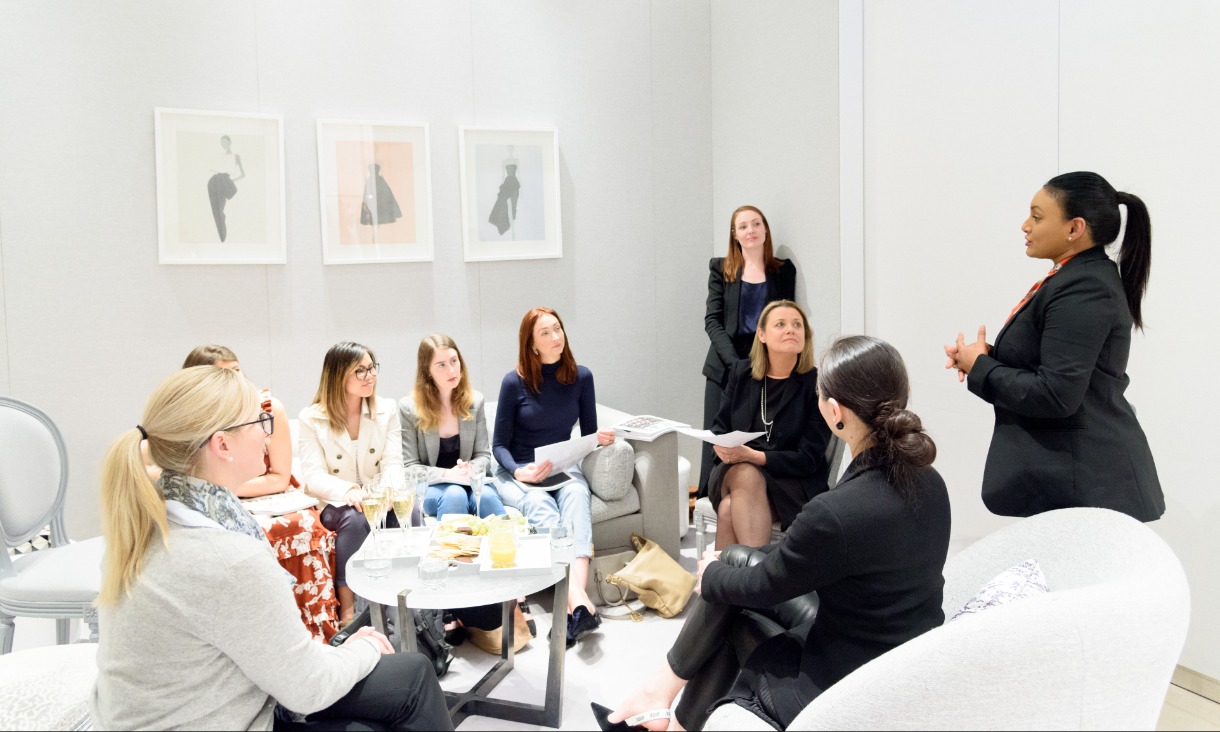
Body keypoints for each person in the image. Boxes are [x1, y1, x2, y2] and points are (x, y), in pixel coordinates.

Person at [603, 335, 950, 731]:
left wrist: (711, 574)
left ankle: (663, 708)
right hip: (901, 653)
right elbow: (807, 557)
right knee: (735, 560)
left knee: (733, 608)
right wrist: (724, 566)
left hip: (850, 680)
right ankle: (661, 703)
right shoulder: (930, 482)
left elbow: (768, 585)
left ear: (835, 411)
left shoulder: (835, 513)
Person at [91, 365, 452, 731]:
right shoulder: (229, 560)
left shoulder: (145, 522)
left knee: (412, 672)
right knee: (396, 689)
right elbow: (309, 688)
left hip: (184, 708)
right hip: (228, 717)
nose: (269, 434)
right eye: (260, 421)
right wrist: (366, 647)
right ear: (222, 445)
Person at [944, 171, 1164, 522]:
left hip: (1087, 486)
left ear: (1074, 228)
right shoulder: (1076, 278)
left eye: (1037, 216)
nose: (1025, 226)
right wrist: (981, 360)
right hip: (1074, 483)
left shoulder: (1085, 288)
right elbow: (1049, 370)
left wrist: (982, 367)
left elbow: (1056, 395)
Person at [176, 344, 339, 641]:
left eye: (237, 371)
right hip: (220, 498)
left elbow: (279, 477)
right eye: (223, 375)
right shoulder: (191, 418)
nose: (235, 381)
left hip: (270, 493)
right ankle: (259, 629)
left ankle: (316, 626)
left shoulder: (267, 409)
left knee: (303, 523)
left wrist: (226, 487)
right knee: (243, 530)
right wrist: (221, 491)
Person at [492, 307, 616, 647]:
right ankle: (579, 604)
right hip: (519, 472)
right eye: (545, 333)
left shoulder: (582, 377)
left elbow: (587, 434)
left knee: (577, 497)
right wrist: (520, 470)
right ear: (532, 344)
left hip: (561, 468)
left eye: (557, 328)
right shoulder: (513, 382)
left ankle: (572, 607)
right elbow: (498, 445)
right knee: (542, 509)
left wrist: (598, 439)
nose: (555, 337)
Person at [706, 299, 832, 549]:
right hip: (734, 471)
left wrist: (756, 457)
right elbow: (719, 428)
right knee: (746, 474)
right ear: (761, 335)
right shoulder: (741, 373)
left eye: (797, 325)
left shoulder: (817, 384)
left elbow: (808, 458)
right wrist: (721, 448)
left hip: (791, 481)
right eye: (780, 324)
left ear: (805, 336)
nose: (791, 330)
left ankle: (726, 575)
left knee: (729, 509)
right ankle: (758, 571)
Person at [298, 341, 405, 623]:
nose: (370, 376)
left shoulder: (387, 409)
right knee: (356, 519)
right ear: (338, 375)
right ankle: (348, 611)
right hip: (336, 502)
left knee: (409, 511)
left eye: (372, 368)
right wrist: (347, 490)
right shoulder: (312, 418)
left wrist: (388, 492)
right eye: (361, 371)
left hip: (378, 495)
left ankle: (408, 605)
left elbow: (394, 462)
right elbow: (312, 476)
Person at [700, 205, 796, 497]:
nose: (750, 230)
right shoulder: (721, 268)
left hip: (764, 364)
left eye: (756, 224)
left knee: (756, 438)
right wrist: (735, 364)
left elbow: (786, 318)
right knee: (717, 439)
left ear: (766, 229)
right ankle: (709, 499)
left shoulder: (783, 270)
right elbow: (712, 321)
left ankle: (749, 497)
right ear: (735, 235)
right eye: (743, 226)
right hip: (725, 364)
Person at [399, 334, 504, 519]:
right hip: (432, 486)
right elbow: (410, 468)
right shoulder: (409, 408)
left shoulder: (475, 401)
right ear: (427, 371)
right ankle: (449, 540)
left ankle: (506, 537)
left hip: (470, 480)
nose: (451, 370)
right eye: (441, 365)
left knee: (487, 497)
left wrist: (469, 469)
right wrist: (448, 474)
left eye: (454, 361)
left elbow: (483, 455)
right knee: (455, 494)